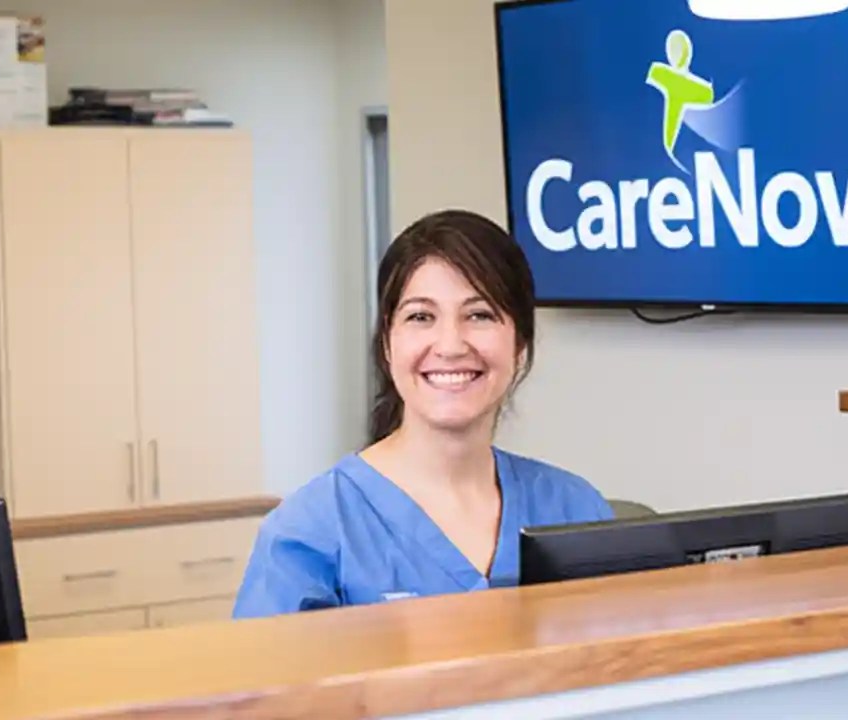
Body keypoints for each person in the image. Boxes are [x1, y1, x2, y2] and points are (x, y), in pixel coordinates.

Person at [232, 209, 614, 619]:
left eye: (479, 315)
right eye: (421, 317)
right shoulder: (311, 532)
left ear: (519, 343)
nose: (450, 345)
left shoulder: (573, 509)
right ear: (387, 343)